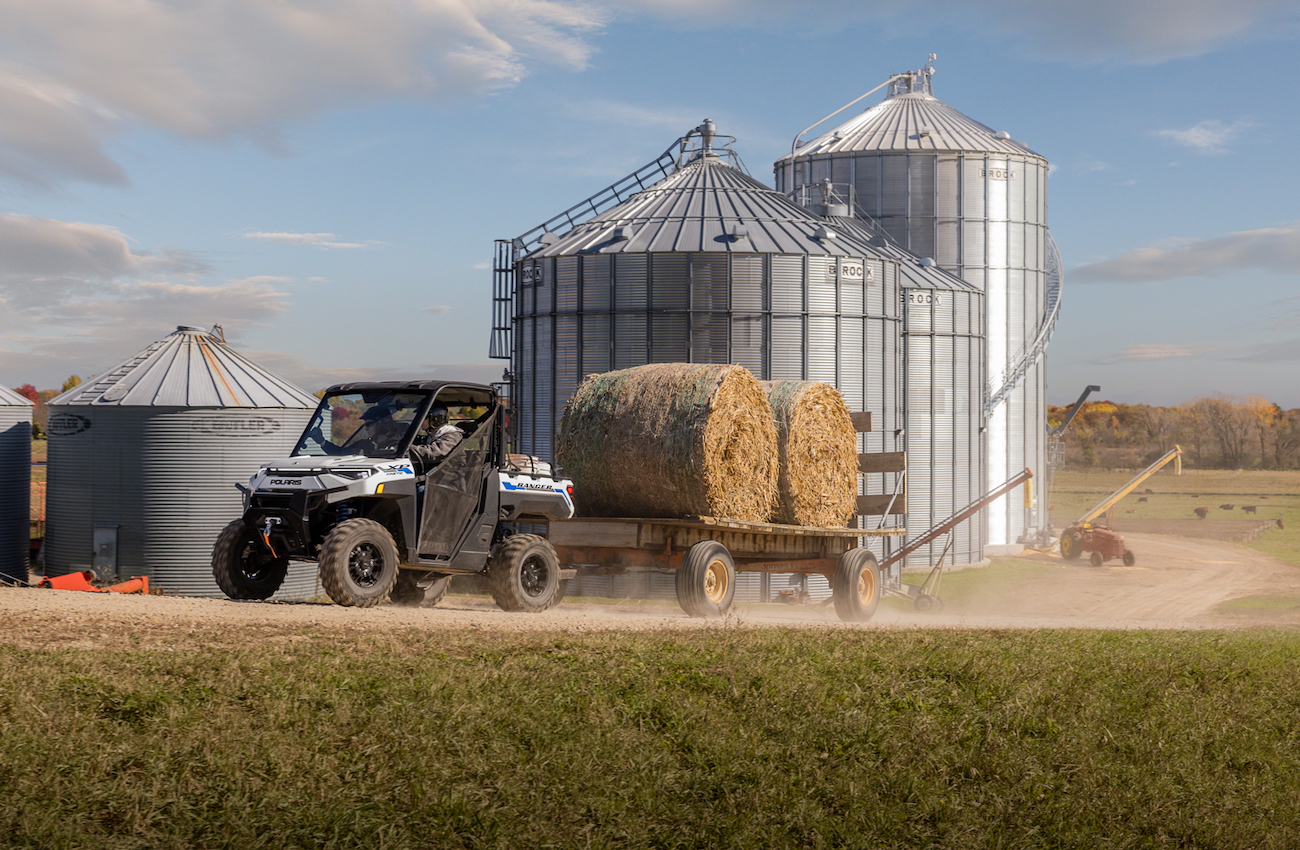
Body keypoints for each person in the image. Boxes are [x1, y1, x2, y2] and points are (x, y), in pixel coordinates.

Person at [409, 405, 463, 471]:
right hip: (434, 477)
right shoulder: (431, 436)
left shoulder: (453, 435)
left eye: (423, 417)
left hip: (448, 478)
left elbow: (433, 453)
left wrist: (406, 449)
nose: (419, 420)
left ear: (435, 419)